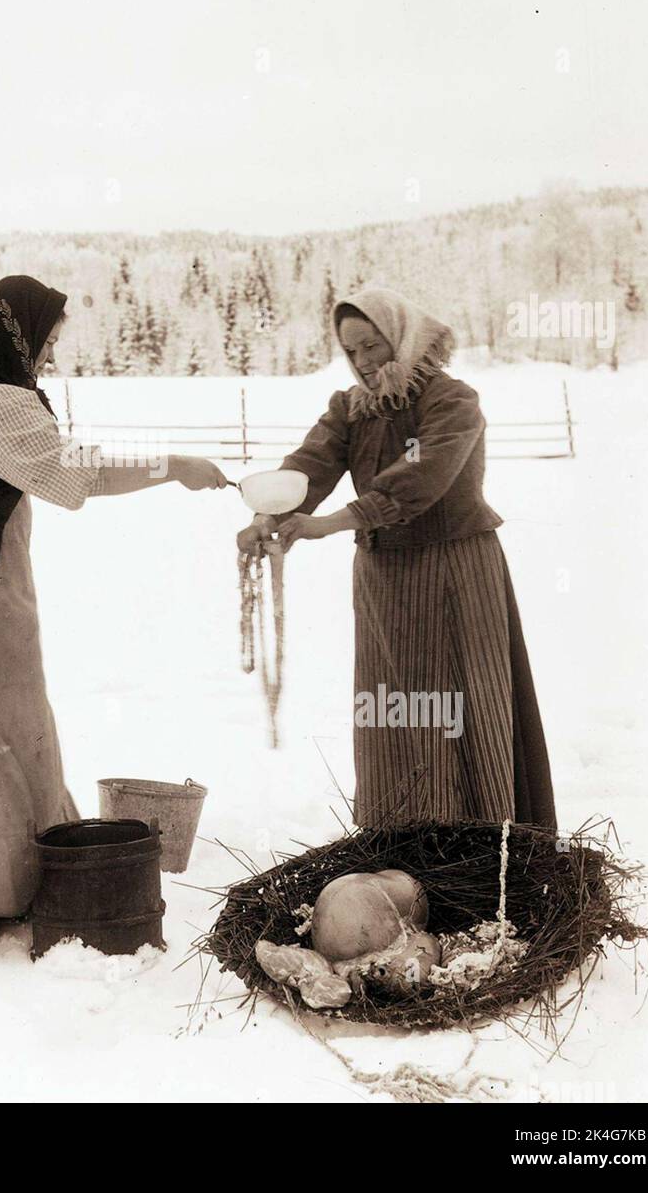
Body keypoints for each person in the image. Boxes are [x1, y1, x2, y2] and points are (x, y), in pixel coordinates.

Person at [0, 274, 227, 949]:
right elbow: (70, 475)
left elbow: (56, 463)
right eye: (48, 337)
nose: (51, 351)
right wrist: (171, 465)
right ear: (19, 334)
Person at [238, 285, 557, 832]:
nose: (361, 362)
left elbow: (425, 474)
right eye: (351, 351)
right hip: (385, 576)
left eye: (372, 346)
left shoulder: (451, 400)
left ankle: (476, 846)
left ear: (402, 337)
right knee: (391, 709)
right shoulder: (351, 409)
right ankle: (399, 841)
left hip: (454, 569)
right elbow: (311, 463)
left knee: (455, 706)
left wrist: (336, 522)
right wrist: (269, 515)